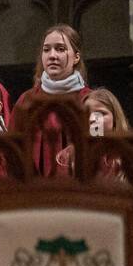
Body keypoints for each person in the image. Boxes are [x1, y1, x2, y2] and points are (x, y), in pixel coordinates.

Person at [13, 25, 91, 175]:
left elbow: (99, 143)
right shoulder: (26, 100)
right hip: (33, 190)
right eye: (46, 49)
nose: (52, 55)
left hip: (79, 190)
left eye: (60, 49)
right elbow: (11, 149)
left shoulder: (90, 100)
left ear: (76, 57)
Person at [54, 88, 129, 182]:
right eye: (87, 113)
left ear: (115, 119)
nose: (92, 119)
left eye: (101, 113)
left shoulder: (129, 157)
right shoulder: (66, 156)